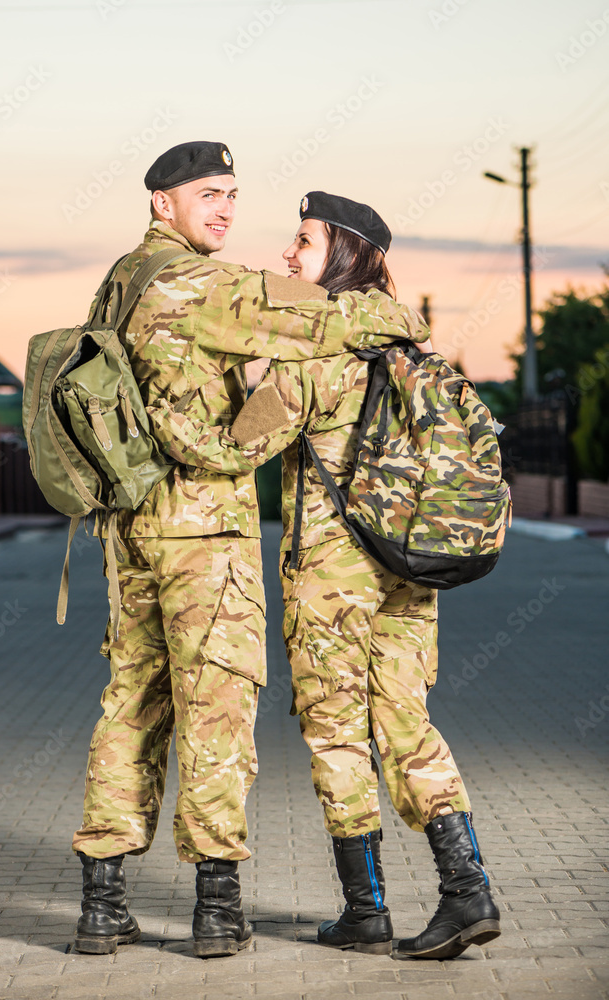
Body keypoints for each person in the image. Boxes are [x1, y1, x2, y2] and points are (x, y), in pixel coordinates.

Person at [71, 144, 431, 960]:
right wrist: (402, 318)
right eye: (208, 194)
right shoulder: (206, 284)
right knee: (217, 710)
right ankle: (217, 909)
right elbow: (321, 317)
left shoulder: (118, 282)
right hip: (204, 537)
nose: (226, 209)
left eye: (233, 194)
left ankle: (102, 901)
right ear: (162, 203)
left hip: (130, 529)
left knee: (130, 703)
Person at [147, 190, 502, 961]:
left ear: (342, 254)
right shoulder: (410, 348)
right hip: (409, 571)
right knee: (408, 723)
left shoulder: (320, 355)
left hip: (331, 580)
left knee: (338, 733)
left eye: (303, 243)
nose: (286, 255)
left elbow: (237, 446)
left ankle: (366, 911)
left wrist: (181, 412)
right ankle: (466, 889)